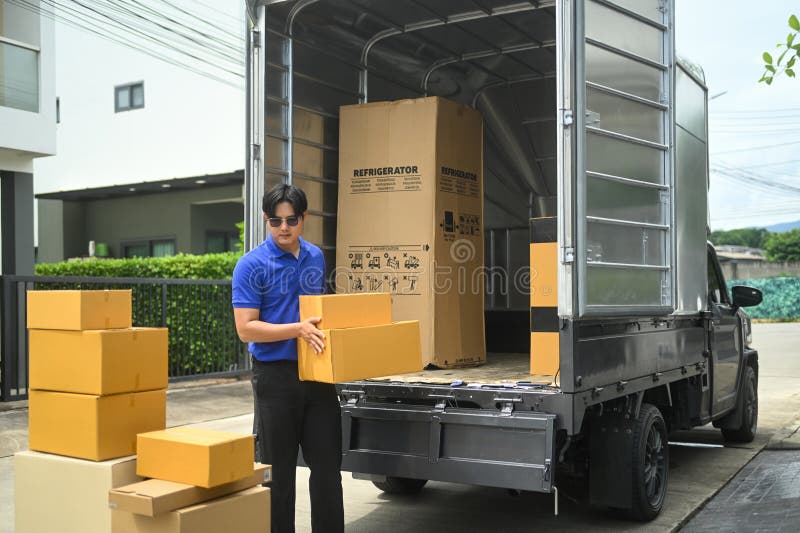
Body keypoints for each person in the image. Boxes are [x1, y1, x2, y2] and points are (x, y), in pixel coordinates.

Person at [232, 183, 344, 533]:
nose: (283, 227)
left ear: (303, 219)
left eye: (291, 219)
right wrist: (296, 329)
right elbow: (246, 329)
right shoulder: (250, 266)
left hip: (317, 374)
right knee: (278, 476)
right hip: (275, 378)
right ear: (266, 221)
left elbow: (319, 312)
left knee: (327, 470)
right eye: (275, 221)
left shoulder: (315, 256)